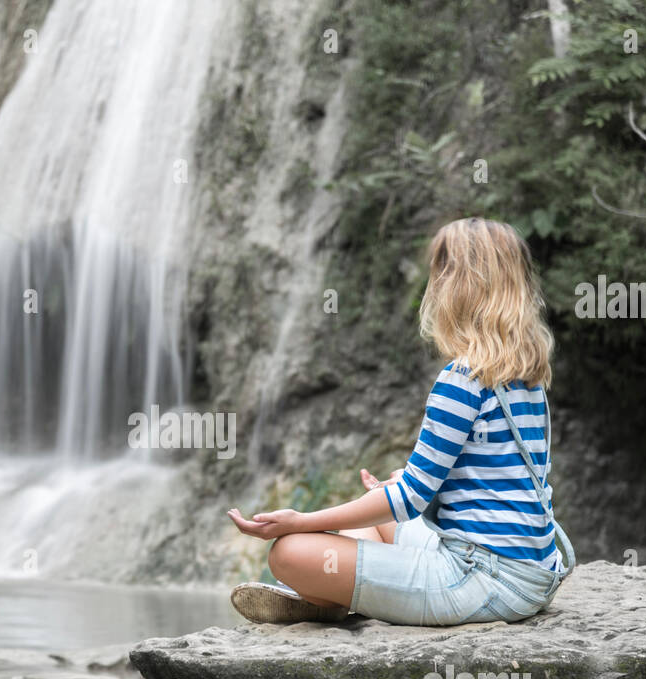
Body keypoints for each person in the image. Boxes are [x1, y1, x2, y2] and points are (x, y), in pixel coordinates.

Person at [228, 217, 575, 626]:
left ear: (455, 286)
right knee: (369, 524)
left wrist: (301, 521)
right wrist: (406, 485)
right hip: (533, 574)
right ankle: (335, 594)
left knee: (289, 552)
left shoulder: (462, 380)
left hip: (482, 580)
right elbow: (488, 485)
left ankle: (329, 599)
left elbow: (410, 500)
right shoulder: (528, 377)